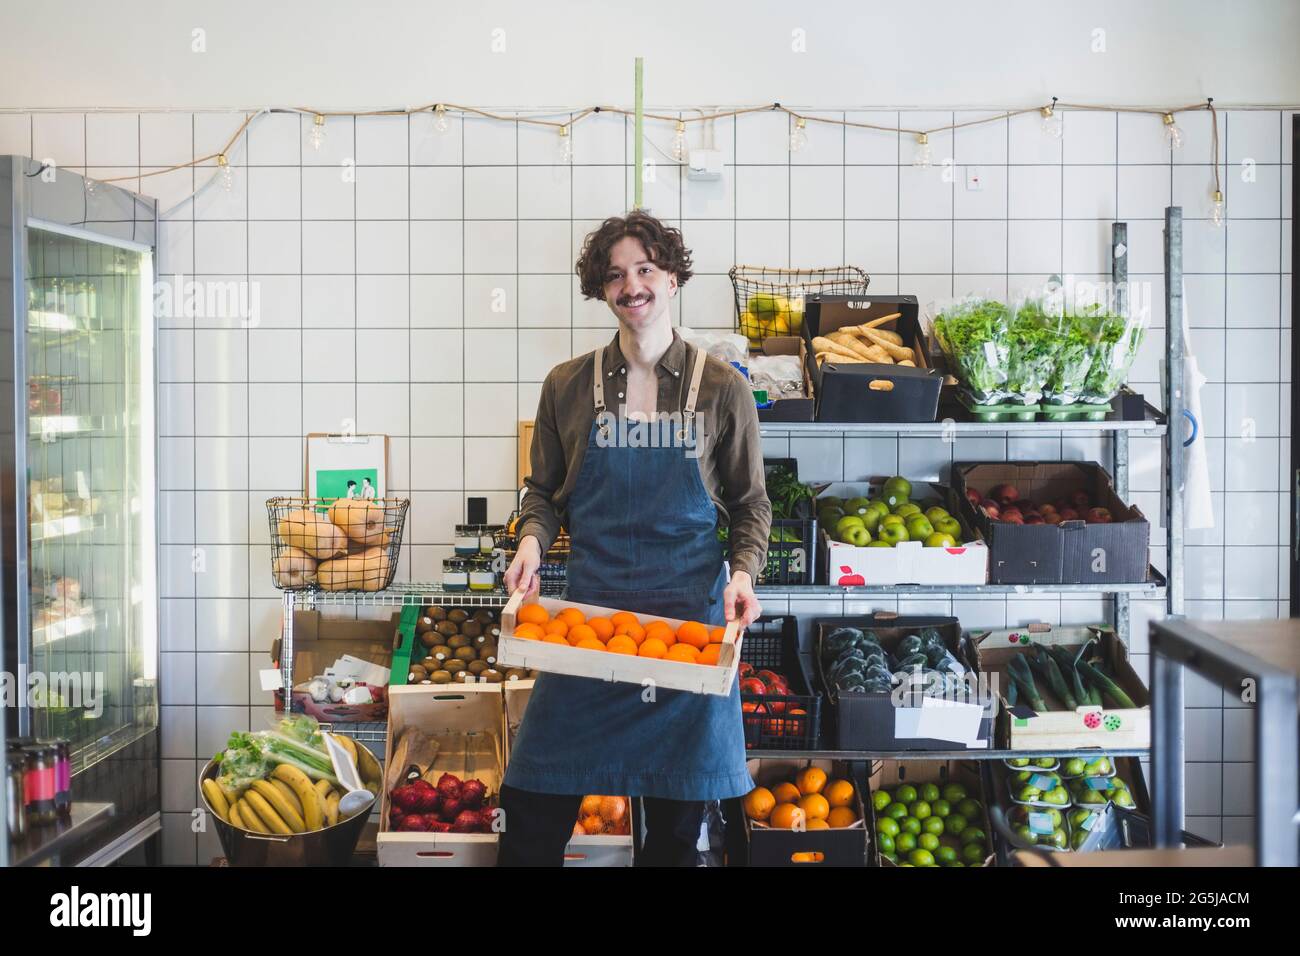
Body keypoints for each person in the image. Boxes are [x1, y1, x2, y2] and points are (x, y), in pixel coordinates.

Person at [499, 211, 772, 866]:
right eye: (616, 274)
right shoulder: (566, 386)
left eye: (645, 269)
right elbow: (542, 493)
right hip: (590, 632)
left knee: (675, 839)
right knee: (531, 813)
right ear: (602, 289)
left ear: (672, 278)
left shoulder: (722, 388)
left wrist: (742, 574)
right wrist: (531, 542)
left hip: (689, 637)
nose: (633, 285)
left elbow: (750, 504)